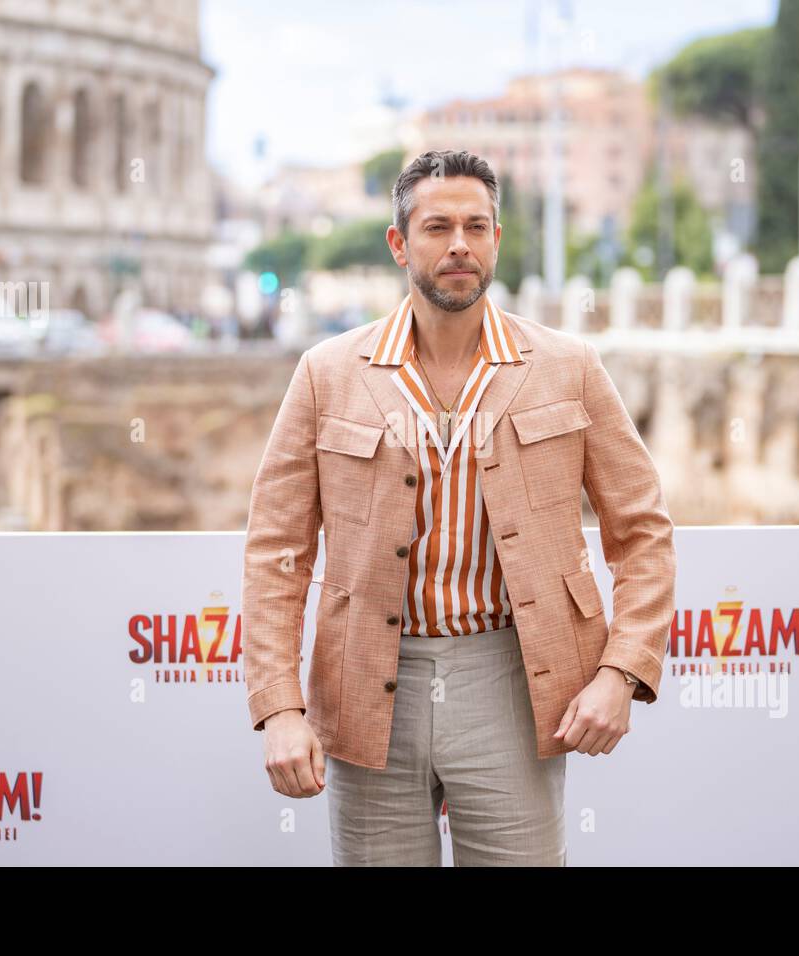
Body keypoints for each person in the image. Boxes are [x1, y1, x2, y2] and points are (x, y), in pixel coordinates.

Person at [242, 149, 676, 866]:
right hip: (366, 689)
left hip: (514, 680)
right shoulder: (326, 374)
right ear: (398, 243)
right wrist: (280, 708)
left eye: (477, 227)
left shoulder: (568, 367)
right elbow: (276, 553)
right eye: (438, 227)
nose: (459, 246)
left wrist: (621, 671)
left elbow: (642, 533)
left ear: (497, 240)